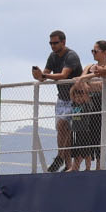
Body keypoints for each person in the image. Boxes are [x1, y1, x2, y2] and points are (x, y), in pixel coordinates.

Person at [34, 30, 83, 172]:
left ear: (63, 42)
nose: (52, 46)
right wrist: (39, 75)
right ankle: (67, 164)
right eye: (50, 43)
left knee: (65, 127)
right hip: (62, 98)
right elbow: (45, 74)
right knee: (62, 131)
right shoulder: (52, 56)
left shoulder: (71, 56)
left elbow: (63, 75)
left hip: (76, 99)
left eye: (55, 43)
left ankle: (60, 157)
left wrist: (44, 75)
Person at [68, 37, 106, 170]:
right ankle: (80, 165)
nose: (93, 53)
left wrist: (88, 84)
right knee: (84, 134)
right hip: (88, 104)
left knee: (101, 135)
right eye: (92, 51)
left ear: (104, 52)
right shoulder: (89, 67)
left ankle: (99, 165)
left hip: (103, 104)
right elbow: (79, 82)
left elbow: (105, 85)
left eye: (96, 51)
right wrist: (89, 85)